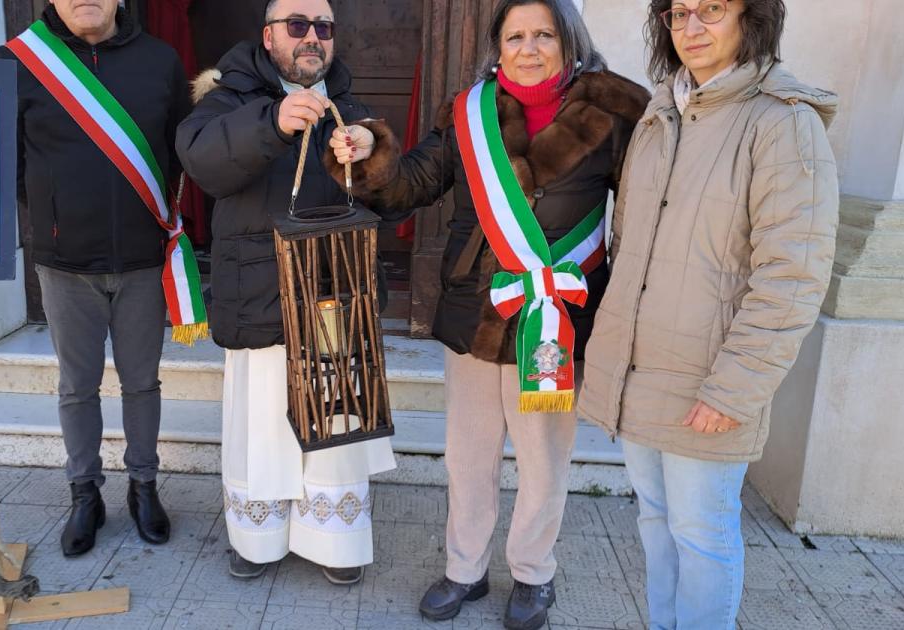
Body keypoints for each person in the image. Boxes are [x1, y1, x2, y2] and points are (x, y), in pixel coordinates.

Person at [328, 1, 648, 626]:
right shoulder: (469, 112)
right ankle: (464, 569)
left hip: (557, 316)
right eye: (515, 36)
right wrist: (369, 147)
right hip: (477, 312)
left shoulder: (617, 112)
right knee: (469, 456)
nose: (528, 49)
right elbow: (410, 185)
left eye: (543, 35)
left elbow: (644, 211)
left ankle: (533, 573)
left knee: (543, 459)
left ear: (568, 40)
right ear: (497, 47)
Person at [577, 1, 839, 627]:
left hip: (708, 384)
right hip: (641, 375)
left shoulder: (782, 123)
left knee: (703, 536)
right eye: (678, 13)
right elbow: (631, 248)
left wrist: (735, 388)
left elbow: (793, 273)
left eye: (712, 10)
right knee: (655, 523)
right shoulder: (660, 112)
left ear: (753, 17)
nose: (691, 29)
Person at [176, 0, 402, 586]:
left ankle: (335, 541)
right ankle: (258, 540)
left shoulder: (344, 99)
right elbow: (202, 160)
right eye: (297, 26)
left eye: (323, 28)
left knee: (333, 420)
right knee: (262, 427)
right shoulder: (231, 95)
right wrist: (273, 123)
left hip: (330, 295)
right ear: (269, 36)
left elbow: (384, 189)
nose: (312, 38)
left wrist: (370, 147)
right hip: (259, 289)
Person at [0, 0, 204, 557]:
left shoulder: (160, 61)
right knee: (76, 387)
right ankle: (84, 492)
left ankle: (144, 487)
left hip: (142, 259)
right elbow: (5, 158)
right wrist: (55, 210)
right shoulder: (19, 61)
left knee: (142, 384)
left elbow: (181, 153)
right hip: (64, 265)